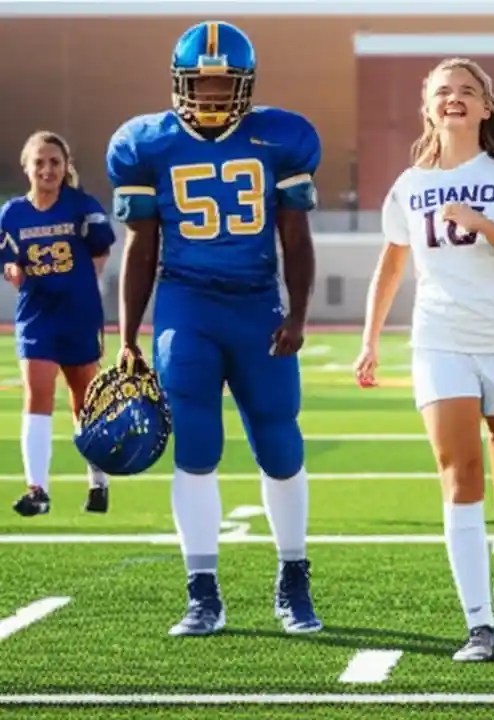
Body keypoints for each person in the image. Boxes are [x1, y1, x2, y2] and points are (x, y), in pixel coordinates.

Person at [104, 20, 322, 637]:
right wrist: (127, 336)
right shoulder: (146, 144)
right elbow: (141, 245)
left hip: (256, 305)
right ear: (180, 82)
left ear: (246, 85)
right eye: (201, 83)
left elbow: (295, 237)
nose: (212, 94)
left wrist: (298, 313)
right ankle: (202, 591)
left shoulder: (281, 138)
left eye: (225, 84)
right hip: (187, 305)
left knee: (280, 445)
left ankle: (294, 576)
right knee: (196, 448)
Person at [353, 57, 494, 662]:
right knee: (459, 474)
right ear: (428, 106)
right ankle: (479, 625)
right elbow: (392, 264)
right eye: (443, 91)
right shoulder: (409, 184)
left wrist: (485, 226)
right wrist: (370, 339)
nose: (454, 98)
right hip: (440, 339)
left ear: (486, 107)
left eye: (467, 91)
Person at [1, 131, 114, 517]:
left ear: (66, 167)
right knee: (37, 394)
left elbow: (101, 249)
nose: (47, 169)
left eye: (55, 162)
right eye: (40, 162)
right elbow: (7, 259)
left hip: (78, 314)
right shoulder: (12, 213)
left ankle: (98, 481)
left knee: (84, 402)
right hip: (37, 316)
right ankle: (38, 490)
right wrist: (12, 270)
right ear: (26, 167)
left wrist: (78, 283)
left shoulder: (82, 206)